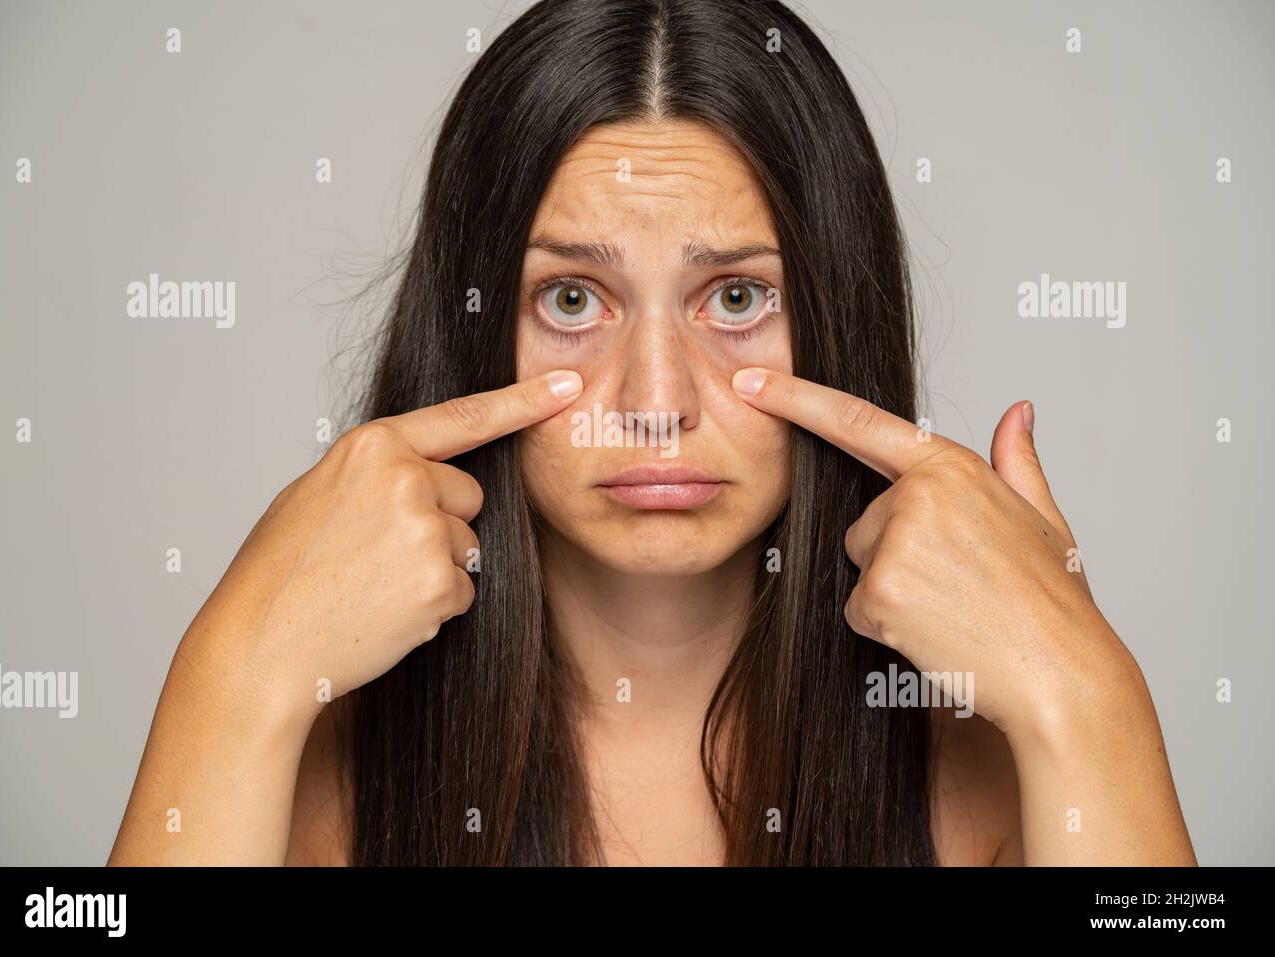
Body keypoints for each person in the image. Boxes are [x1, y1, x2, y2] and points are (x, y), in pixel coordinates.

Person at [109, 0, 1195, 866]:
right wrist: (235, 673)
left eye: (734, 299)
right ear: (473, 329)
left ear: (837, 326)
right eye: (572, 301)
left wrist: (1085, 696)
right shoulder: (306, 772)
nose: (656, 398)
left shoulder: (993, 778)